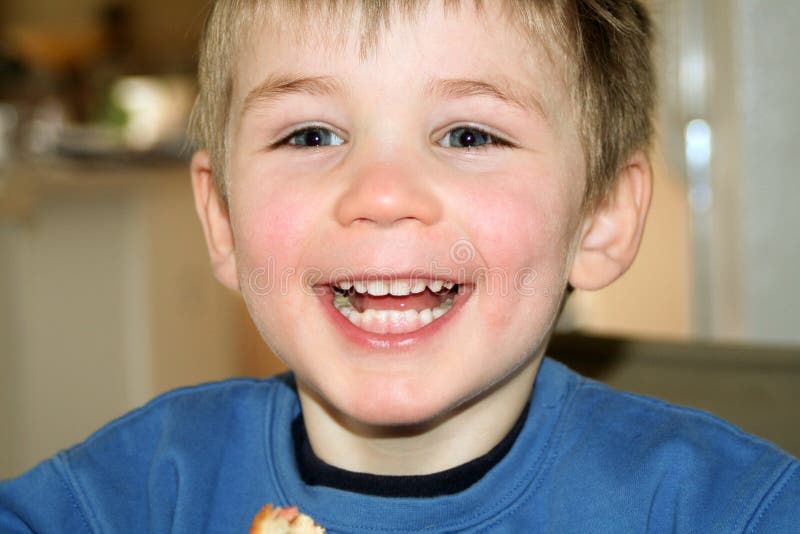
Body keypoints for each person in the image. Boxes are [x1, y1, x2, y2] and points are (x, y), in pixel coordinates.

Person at [2, 1, 798, 532]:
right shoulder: (136, 495)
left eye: (467, 136)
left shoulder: (724, 510)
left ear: (600, 218)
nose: (381, 195)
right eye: (311, 134)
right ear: (223, 219)